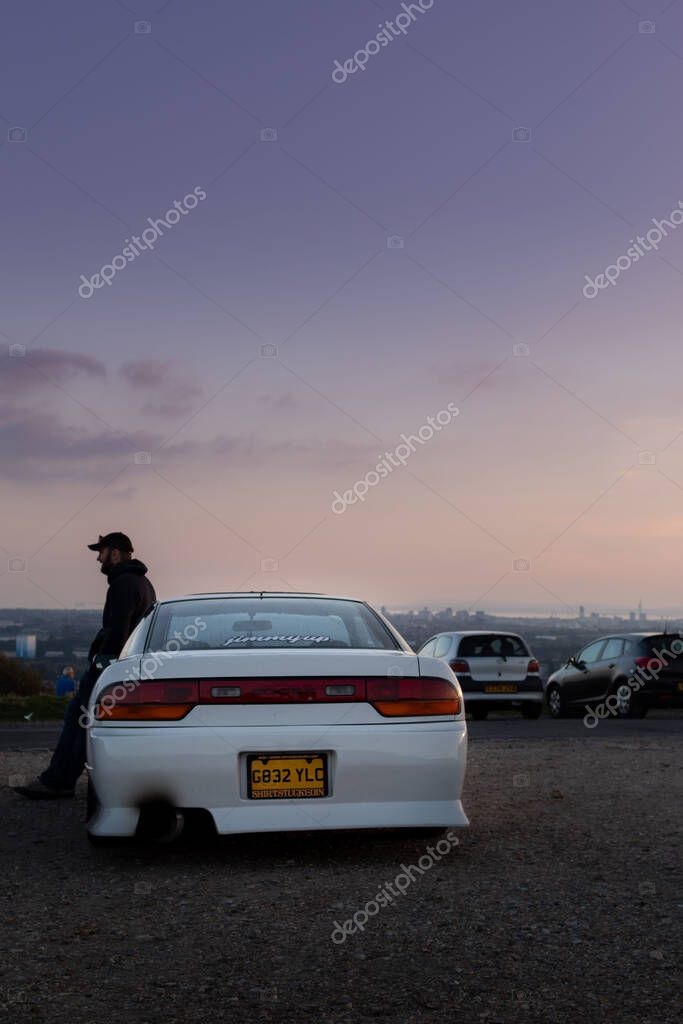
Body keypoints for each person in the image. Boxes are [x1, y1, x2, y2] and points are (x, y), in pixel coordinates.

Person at [14, 532, 156, 799]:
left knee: (78, 721)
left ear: (115, 553)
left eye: (101, 552)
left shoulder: (123, 584)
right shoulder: (143, 583)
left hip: (110, 670)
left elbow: (117, 630)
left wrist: (102, 667)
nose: (98, 559)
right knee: (83, 721)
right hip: (126, 668)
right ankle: (63, 779)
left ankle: (58, 782)